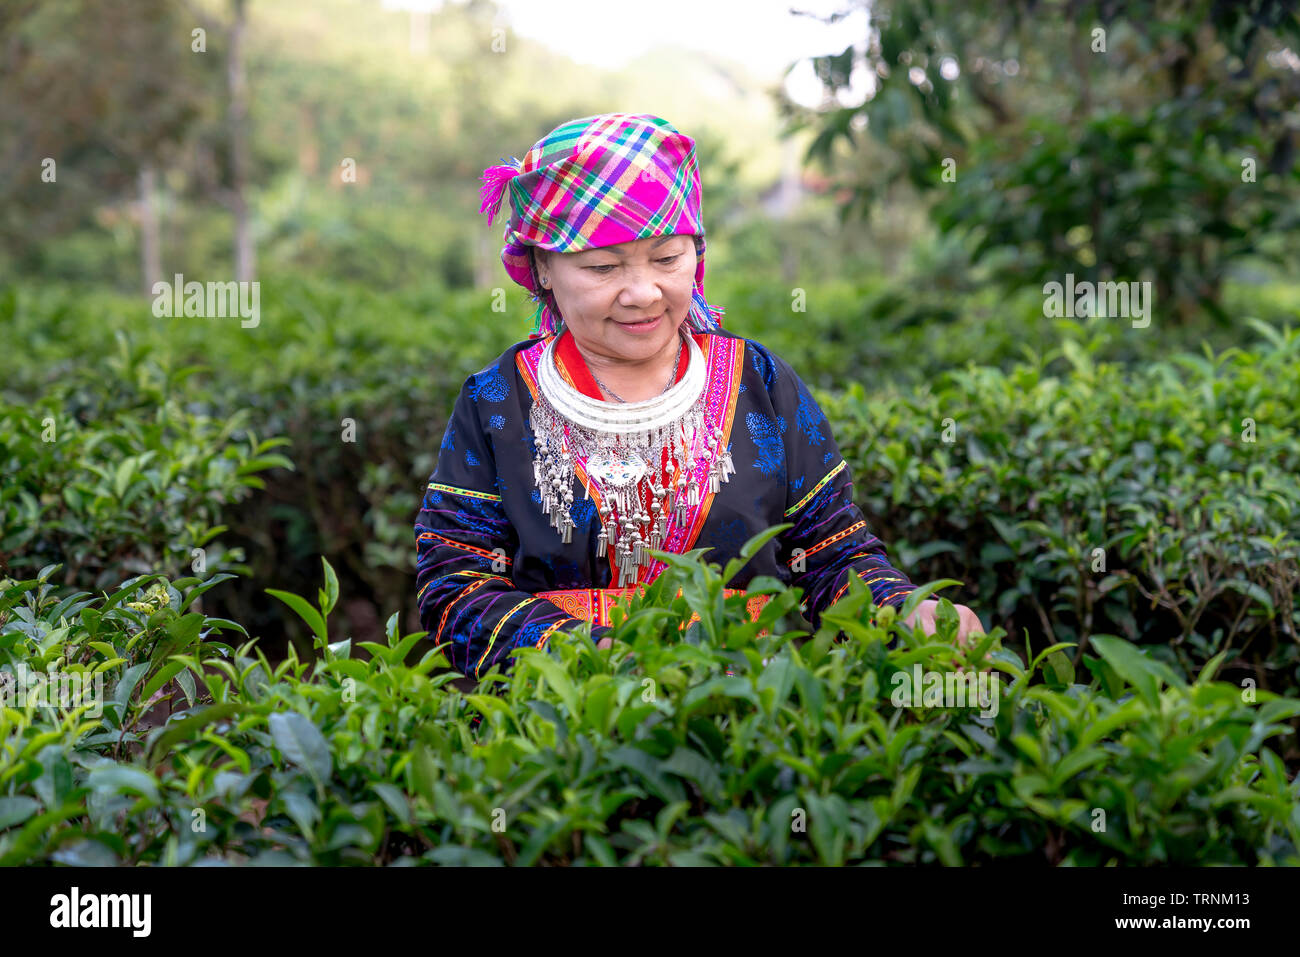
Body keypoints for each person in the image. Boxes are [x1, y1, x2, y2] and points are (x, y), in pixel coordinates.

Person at [415, 112, 984, 680]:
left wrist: (905, 611)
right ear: (542, 266)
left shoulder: (758, 381)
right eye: (602, 266)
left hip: (753, 718)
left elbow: (831, 553)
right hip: (562, 731)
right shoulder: (498, 401)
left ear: (697, 253)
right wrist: (592, 655)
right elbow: (454, 586)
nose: (642, 293)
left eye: (667, 259)